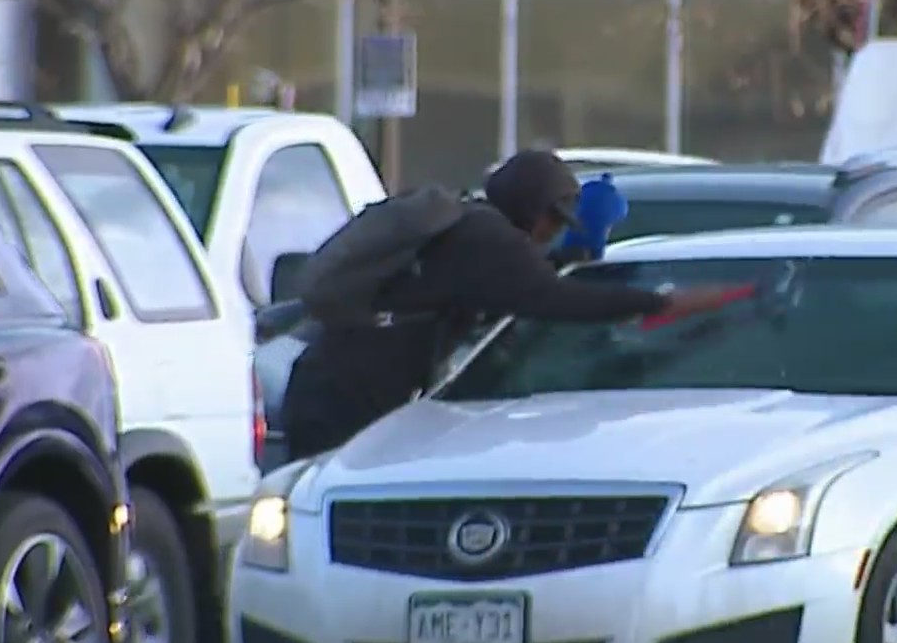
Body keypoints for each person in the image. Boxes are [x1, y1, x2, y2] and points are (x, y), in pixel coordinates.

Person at [280, 149, 741, 460]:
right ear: (532, 207)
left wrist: (564, 260)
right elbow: (557, 300)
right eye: (552, 220)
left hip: (332, 387)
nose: (553, 232)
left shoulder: (473, 229)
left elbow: (515, 280)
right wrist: (658, 302)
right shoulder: (489, 241)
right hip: (346, 400)